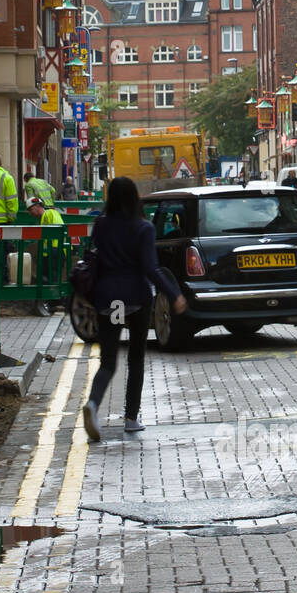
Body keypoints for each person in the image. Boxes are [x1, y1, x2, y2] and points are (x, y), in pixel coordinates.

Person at [82, 176, 187, 441]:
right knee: (136, 358)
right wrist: (174, 294)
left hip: (111, 301)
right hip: (136, 300)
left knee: (108, 362)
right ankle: (130, 418)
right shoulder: (143, 228)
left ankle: (93, 404)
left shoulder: (101, 225)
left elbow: (93, 257)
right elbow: (150, 269)